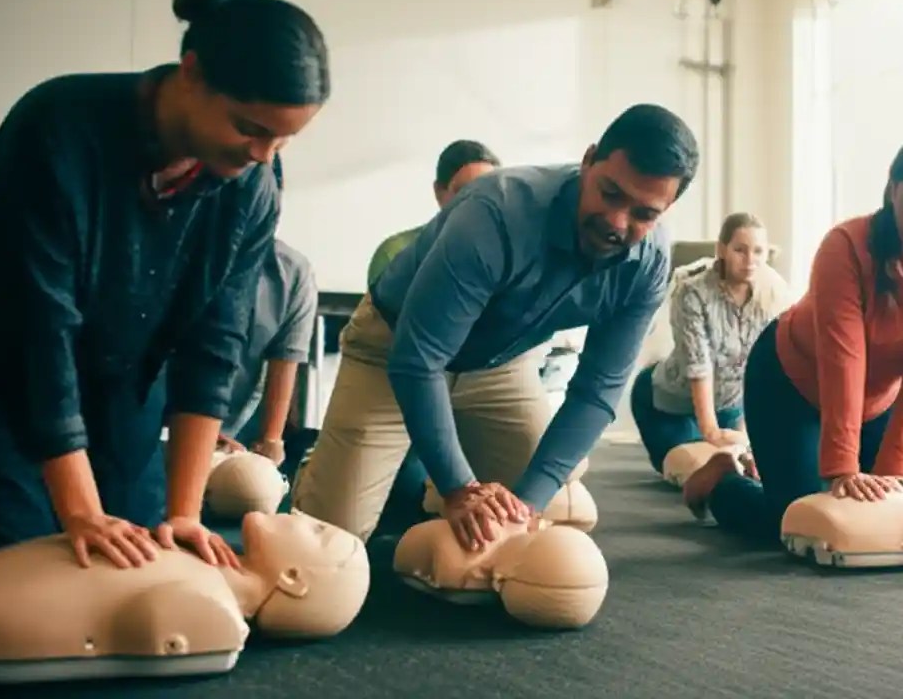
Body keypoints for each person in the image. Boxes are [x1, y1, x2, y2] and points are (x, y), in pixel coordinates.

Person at [0, 0, 330, 569]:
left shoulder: (252, 182)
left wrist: (183, 514)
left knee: (145, 562)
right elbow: (37, 329)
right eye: (250, 128)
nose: (264, 154)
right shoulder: (55, 128)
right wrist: (80, 510)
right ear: (191, 74)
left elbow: (214, 345)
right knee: (24, 578)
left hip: (123, 382)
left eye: (284, 139)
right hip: (1, 372)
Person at [293, 104, 698, 551]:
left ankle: (436, 480)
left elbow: (598, 390)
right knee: (327, 549)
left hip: (499, 365)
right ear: (587, 161)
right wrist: (459, 489)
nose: (618, 223)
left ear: (666, 209)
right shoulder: (496, 211)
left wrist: (526, 505)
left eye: (644, 213)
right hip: (393, 351)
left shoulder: (650, 263)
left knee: (554, 509)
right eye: (610, 193)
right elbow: (418, 359)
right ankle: (325, 466)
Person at [681, 134, 903, 545]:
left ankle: (782, 464)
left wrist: (895, 474)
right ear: (893, 190)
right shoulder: (845, 245)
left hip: (875, 401)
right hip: (789, 381)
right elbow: (845, 356)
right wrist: (842, 468)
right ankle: (721, 480)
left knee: (897, 502)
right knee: (797, 523)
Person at [631, 212, 784, 472]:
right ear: (721, 249)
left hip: (728, 407)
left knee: (753, 467)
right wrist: (710, 432)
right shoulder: (692, 292)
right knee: (701, 471)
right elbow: (698, 366)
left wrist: (748, 440)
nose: (750, 261)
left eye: (758, 251)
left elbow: (764, 369)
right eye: (740, 250)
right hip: (669, 404)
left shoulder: (772, 294)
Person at [214, 238, 319, 465]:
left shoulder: (292, 270)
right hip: (159, 417)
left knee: (255, 489)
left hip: (235, 420)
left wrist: (270, 443)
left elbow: (285, 360)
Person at [366, 139, 502, 287]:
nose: (478, 202)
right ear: (439, 192)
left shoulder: (510, 255)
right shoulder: (397, 253)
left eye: (489, 191)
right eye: (465, 191)